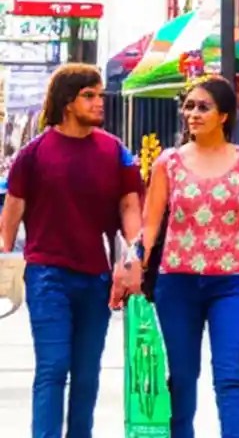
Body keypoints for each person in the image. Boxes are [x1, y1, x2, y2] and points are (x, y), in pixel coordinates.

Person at [0, 63, 143, 438]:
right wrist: (5, 255)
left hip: (96, 277)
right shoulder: (33, 155)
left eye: (100, 95)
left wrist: (133, 255)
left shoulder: (115, 152)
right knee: (53, 365)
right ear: (67, 101)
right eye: (89, 96)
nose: (100, 103)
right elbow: (11, 212)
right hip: (48, 275)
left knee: (86, 372)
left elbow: (130, 205)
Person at [137, 75, 239, 438]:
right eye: (189, 106)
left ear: (224, 115)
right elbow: (150, 223)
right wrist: (136, 262)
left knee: (230, 378)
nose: (193, 114)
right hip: (177, 282)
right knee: (182, 377)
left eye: (203, 107)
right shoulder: (168, 162)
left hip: (232, 285)